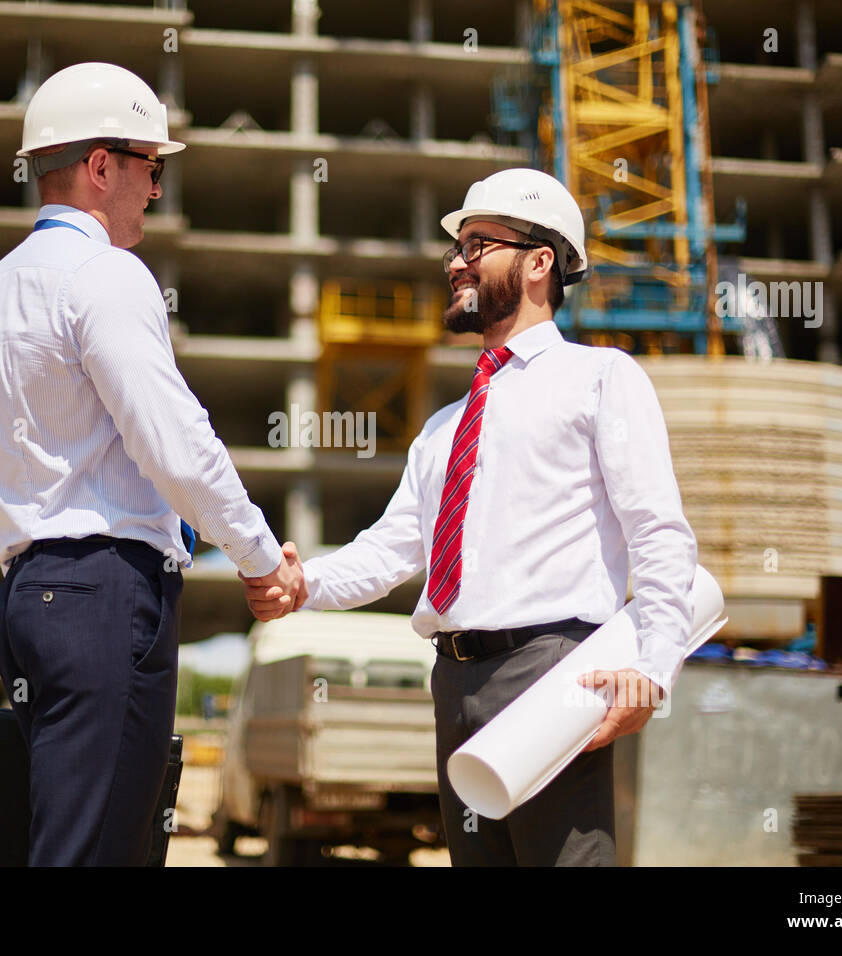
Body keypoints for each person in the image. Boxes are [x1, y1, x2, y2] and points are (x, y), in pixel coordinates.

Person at [242, 168, 697, 866]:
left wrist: (654, 666)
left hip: (554, 671)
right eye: (456, 246)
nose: (456, 260)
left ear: (540, 261)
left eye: (478, 243)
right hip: (453, 681)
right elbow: (393, 549)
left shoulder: (602, 379)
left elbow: (659, 532)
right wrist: (303, 585)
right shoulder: (443, 428)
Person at [0, 62, 305, 866]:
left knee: (49, 840)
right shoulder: (106, 274)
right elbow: (175, 442)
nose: (156, 187)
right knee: (97, 851)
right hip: (103, 599)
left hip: (27, 601)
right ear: (101, 166)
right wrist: (258, 558)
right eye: (151, 165)